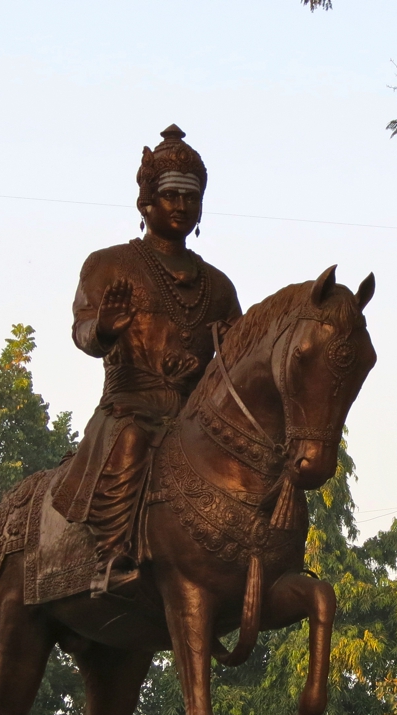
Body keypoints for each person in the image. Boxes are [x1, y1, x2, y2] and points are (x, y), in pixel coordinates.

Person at [52, 125, 241, 595]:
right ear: (146, 202)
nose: (181, 206)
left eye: (191, 197)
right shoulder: (108, 264)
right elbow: (81, 331)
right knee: (133, 437)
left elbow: (237, 358)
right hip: (129, 407)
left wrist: (202, 372)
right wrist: (105, 329)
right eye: (170, 194)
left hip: (195, 418)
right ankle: (111, 555)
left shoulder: (218, 286)